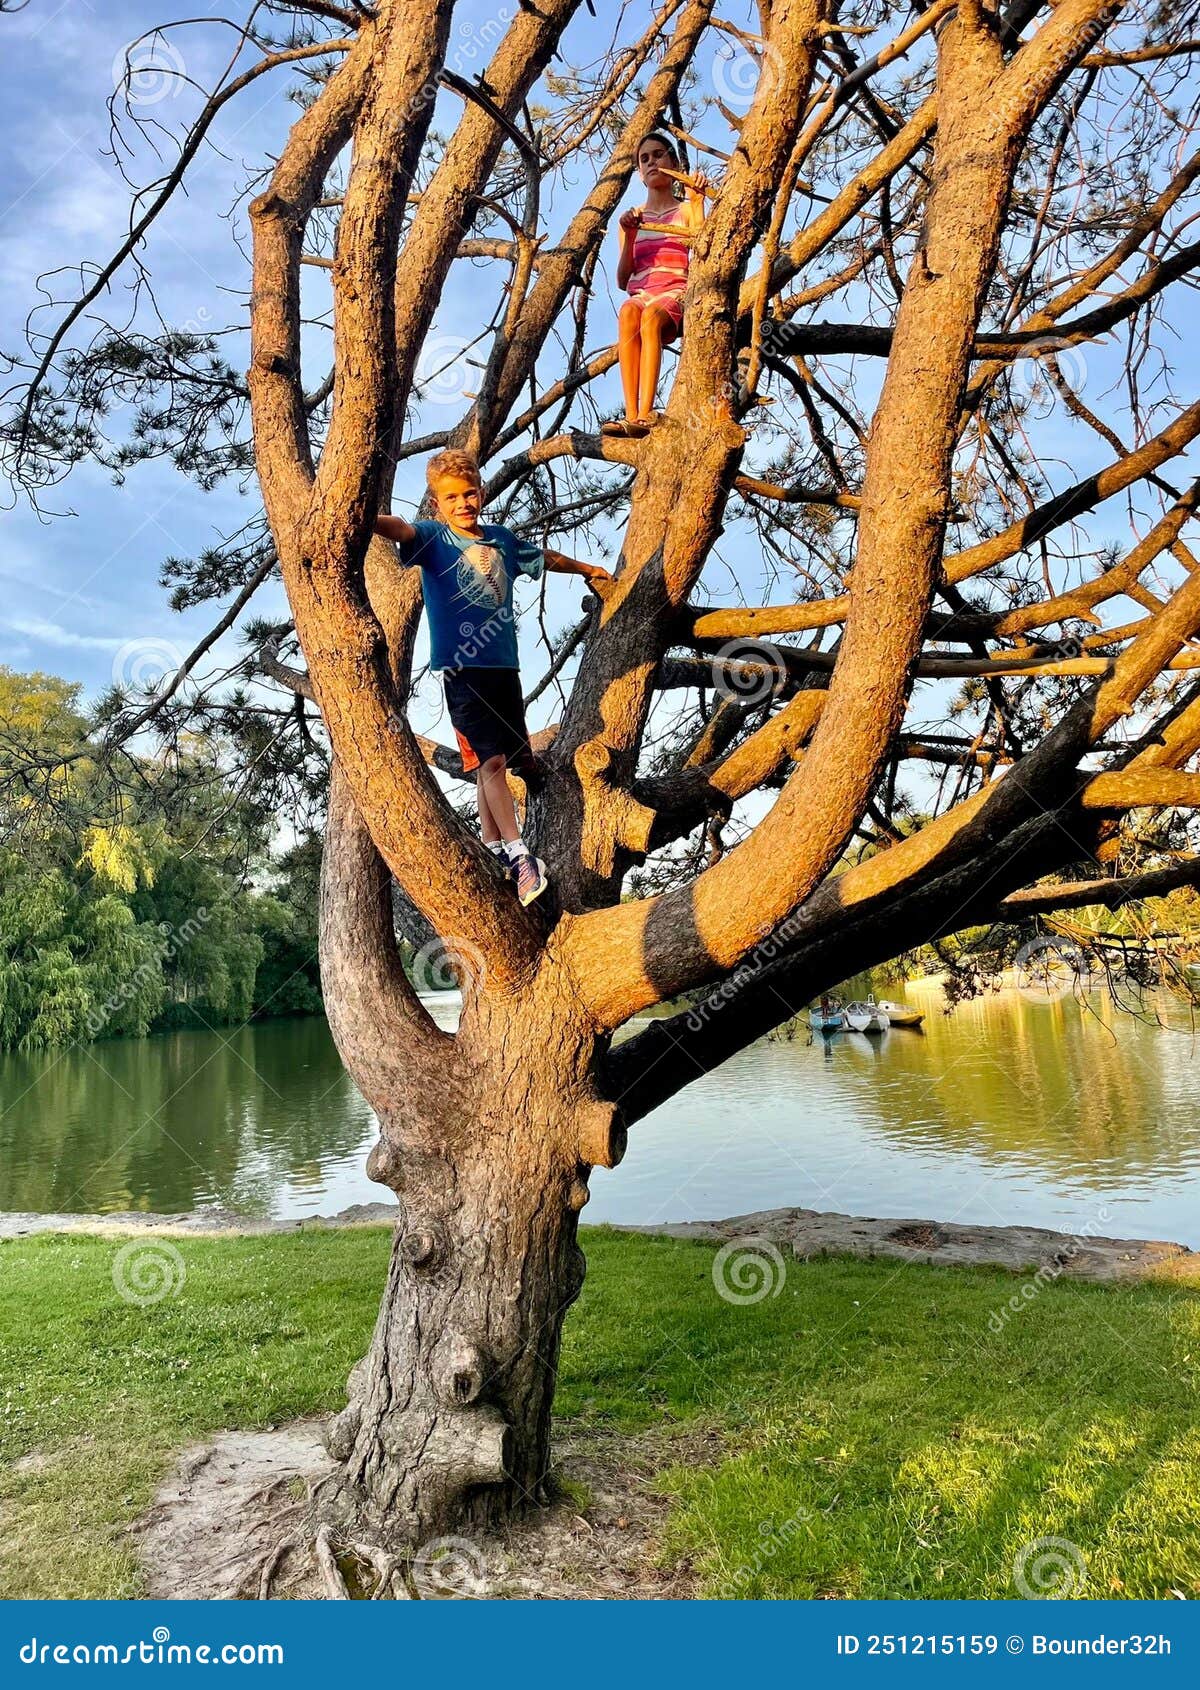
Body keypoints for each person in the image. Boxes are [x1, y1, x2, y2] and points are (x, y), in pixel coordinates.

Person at [374, 448, 614, 907]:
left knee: (497, 760)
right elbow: (399, 528)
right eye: (451, 498)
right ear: (437, 504)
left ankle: (494, 847)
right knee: (491, 765)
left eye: (469, 494)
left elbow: (541, 556)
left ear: (481, 492)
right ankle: (522, 856)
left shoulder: (501, 539)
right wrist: (362, 514)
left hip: (505, 668)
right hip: (463, 670)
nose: (463, 503)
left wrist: (586, 568)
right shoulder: (432, 539)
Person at [602, 131, 708, 439]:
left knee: (649, 317)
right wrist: (630, 234)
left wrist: (698, 202)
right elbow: (623, 280)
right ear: (639, 172)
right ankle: (631, 415)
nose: (652, 162)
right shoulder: (632, 219)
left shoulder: (686, 210)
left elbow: (703, 253)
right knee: (628, 312)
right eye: (644, 159)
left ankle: (646, 414)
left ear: (673, 162)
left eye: (659, 154)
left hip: (675, 293)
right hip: (642, 294)